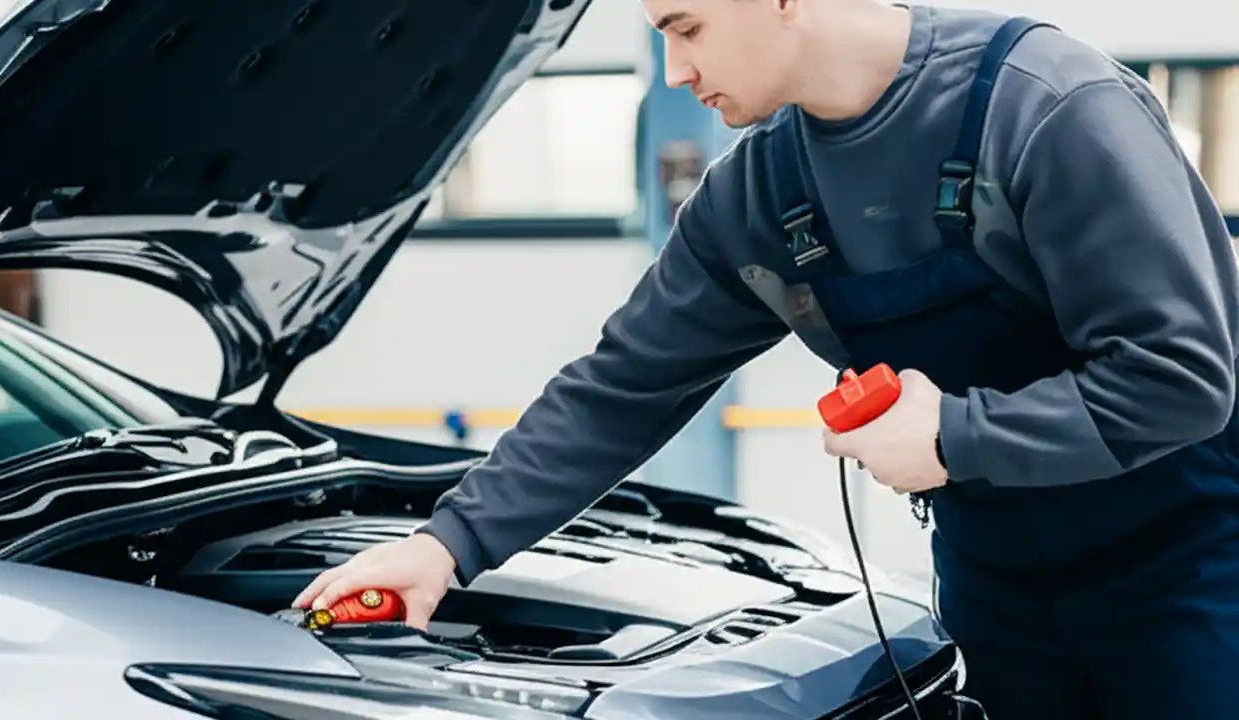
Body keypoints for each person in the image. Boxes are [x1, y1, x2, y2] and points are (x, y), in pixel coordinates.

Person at [295, 1, 1239, 716]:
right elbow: (622, 388)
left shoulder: (1045, 109)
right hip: (997, 584)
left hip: (1192, 568)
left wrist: (956, 435)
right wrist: (445, 546)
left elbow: (1179, 379)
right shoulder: (756, 196)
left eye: (688, 27)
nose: (674, 70)